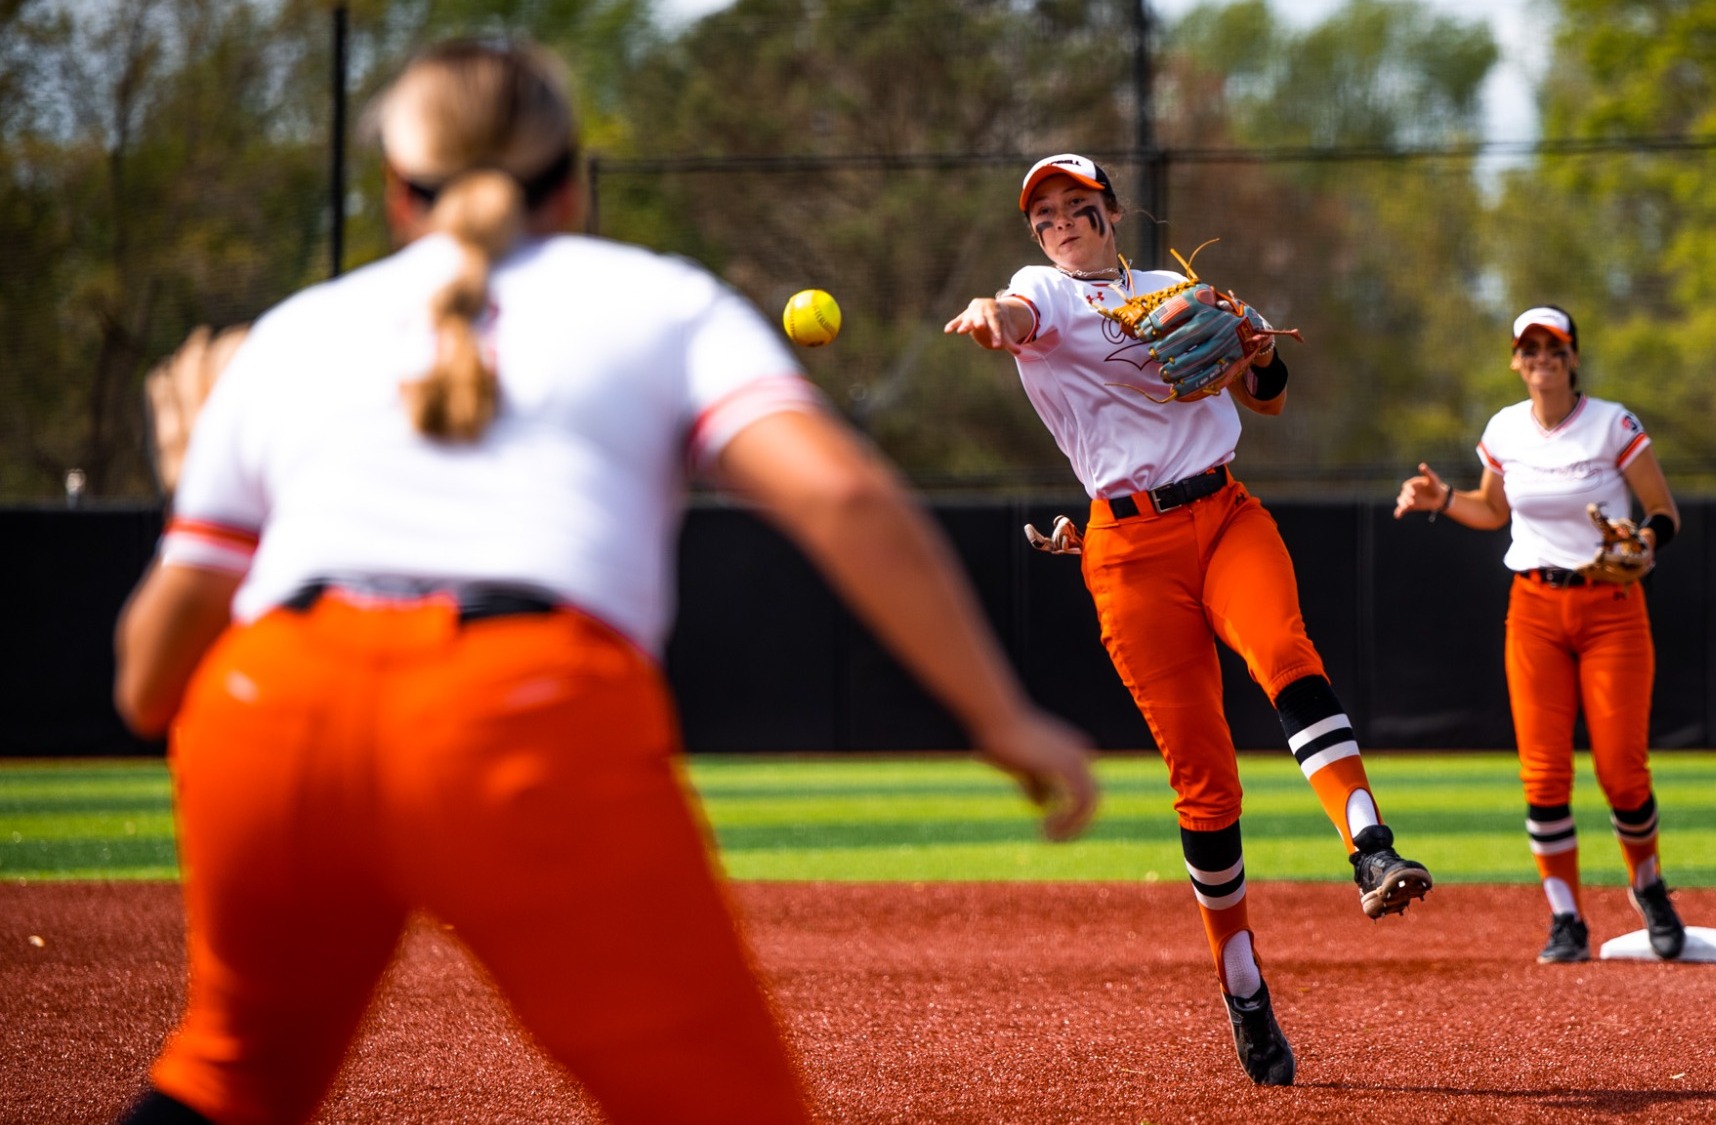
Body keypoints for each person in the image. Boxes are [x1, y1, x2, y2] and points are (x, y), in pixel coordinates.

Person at [111, 40, 1096, 1125]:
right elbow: (842, 501)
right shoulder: (661, 304)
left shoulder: (290, 337)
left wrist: (192, 498)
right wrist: (998, 716)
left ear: (397, 193)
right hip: (520, 715)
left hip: (269, 710)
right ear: (573, 182)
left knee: (229, 1078)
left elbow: (151, 693)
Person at [944, 153, 1432, 1087]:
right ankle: (1243, 983)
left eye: (1076, 204)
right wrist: (989, 315)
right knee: (1204, 779)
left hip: (1225, 512)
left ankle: (1371, 850)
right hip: (1127, 553)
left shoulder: (1177, 287)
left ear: (1112, 210)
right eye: (1043, 211)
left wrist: (1259, 349)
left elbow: (1271, 395)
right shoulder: (1039, 290)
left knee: (1284, 649)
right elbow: (1015, 317)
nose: (1059, 220)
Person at [1393, 305, 1687, 964]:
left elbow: (1663, 511)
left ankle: (1649, 888)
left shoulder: (1613, 424)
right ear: (1515, 359)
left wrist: (1643, 539)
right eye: (1530, 346)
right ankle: (1566, 918)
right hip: (1534, 609)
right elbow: (1493, 509)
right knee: (1544, 775)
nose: (1542, 357)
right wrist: (1444, 499)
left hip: (1610, 604)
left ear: (1573, 355)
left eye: (1553, 345)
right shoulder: (1505, 428)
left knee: (1621, 771)